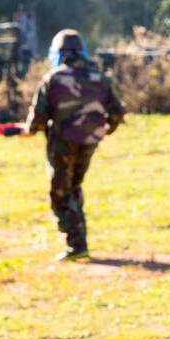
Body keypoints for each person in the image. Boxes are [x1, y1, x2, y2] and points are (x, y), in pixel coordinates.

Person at [23, 28, 124, 261]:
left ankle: (75, 245)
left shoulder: (53, 78)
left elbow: (38, 118)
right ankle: (79, 242)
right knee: (74, 186)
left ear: (57, 53)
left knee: (60, 192)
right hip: (89, 142)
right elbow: (118, 112)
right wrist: (105, 130)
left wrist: (29, 130)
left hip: (61, 143)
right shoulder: (100, 78)